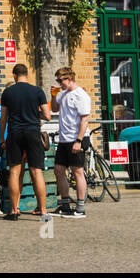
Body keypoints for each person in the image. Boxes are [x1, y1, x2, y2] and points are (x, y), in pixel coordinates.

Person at [0, 63, 50, 220]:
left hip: (15, 133)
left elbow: (3, 119)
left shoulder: (7, 92)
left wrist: (2, 139)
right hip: (33, 133)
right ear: (27, 75)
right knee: (36, 171)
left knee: (14, 171)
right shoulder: (37, 91)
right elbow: (47, 116)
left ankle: (14, 210)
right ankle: (43, 210)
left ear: (14, 75)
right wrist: (35, 113)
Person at [52, 67, 93, 219]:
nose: (59, 83)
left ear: (69, 79)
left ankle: (80, 208)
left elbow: (85, 119)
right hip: (64, 139)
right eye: (57, 80)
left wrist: (79, 140)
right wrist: (52, 95)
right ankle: (65, 205)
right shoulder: (63, 94)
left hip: (75, 138)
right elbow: (55, 109)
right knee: (58, 170)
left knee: (78, 172)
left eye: (60, 80)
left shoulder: (80, 95)